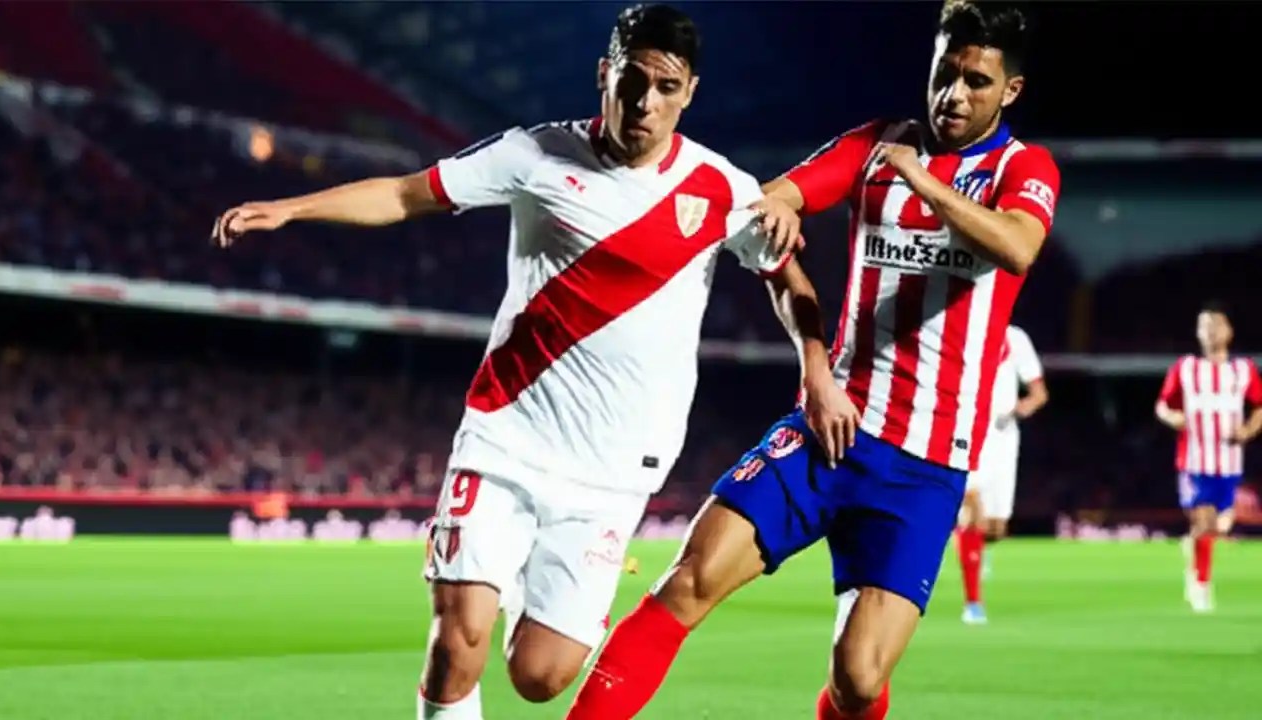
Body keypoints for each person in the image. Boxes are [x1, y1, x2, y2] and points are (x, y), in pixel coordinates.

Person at [212, 5, 829, 718]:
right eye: (633, 80)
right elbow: (406, 193)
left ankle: (508, 586)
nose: (646, 102)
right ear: (606, 74)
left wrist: (813, 360)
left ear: (688, 93)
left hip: (612, 471)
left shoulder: (723, 189)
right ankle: (474, 592)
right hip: (507, 435)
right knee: (457, 643)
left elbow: (788, 276)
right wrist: (290, 209)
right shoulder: (534, 155)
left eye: (667, 86)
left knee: (540, 675)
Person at [565, 3, 1059, 719]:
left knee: (858, 679)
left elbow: (1016, 246)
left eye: (976, 82)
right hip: (831, 427)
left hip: (924, 466)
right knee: (689, 580)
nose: (953, 94)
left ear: (1008, 91)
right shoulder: (874, 145)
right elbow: (773, 201)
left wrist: (921, 179)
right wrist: (784, 210)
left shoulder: (1022, 169)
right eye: (945, 72)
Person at [1155, 300, 1262, 613]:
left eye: (1216, 324)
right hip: (1194, 461)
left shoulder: (1242, 371)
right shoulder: (1185, 369)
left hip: (1228, 461)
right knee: (1203, 521)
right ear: (1198, 334)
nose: (1210, 331)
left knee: (1217, 526)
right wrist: (1173, 418)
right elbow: (1162, 405)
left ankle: (1194, 553)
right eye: (1204, 326)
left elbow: (1259, 407)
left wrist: (1247, 431)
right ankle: (1200, 585)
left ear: (1228, 331)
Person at [954, 322, 1047, 623]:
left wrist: (1025, 406)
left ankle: (977, 550)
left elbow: (1039, 392)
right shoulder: (958, 331)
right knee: (972, 508)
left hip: (1003, 435)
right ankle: (973, 603)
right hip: (966, 431)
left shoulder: (1016, 338)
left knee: (995, 529)